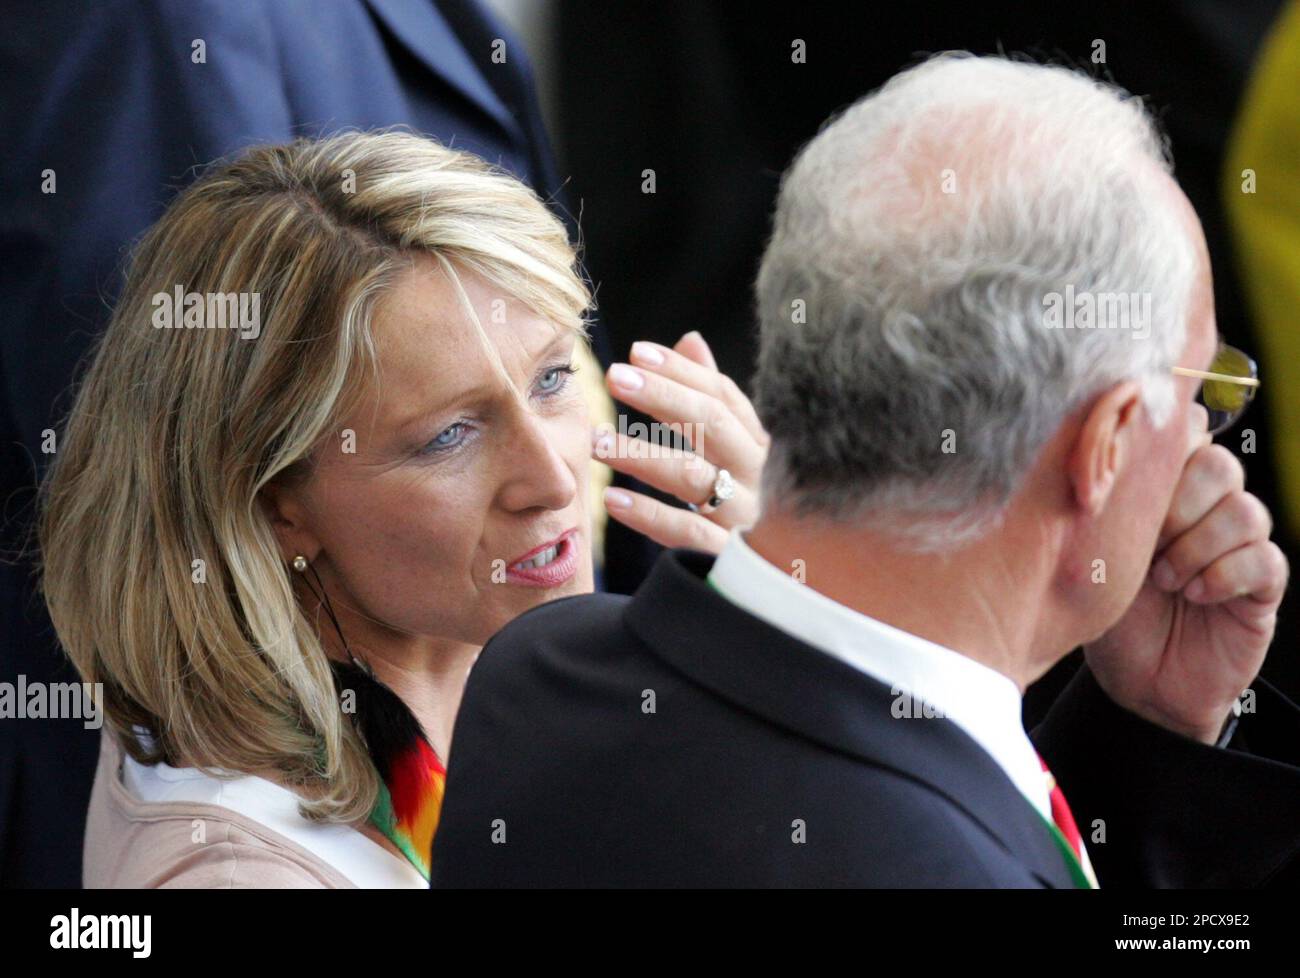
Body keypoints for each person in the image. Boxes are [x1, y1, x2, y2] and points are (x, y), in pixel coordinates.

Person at [429, 53, 1300, 888]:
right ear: (1104, 447)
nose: (1204, 433)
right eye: (1202, 383)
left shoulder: (535, 679)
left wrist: (1147, 740)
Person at [37, 130, 767, 887]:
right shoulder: (237, 873)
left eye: (552, 379)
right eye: (449, 435)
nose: (552, 479)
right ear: (278, 506)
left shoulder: (488, 658)